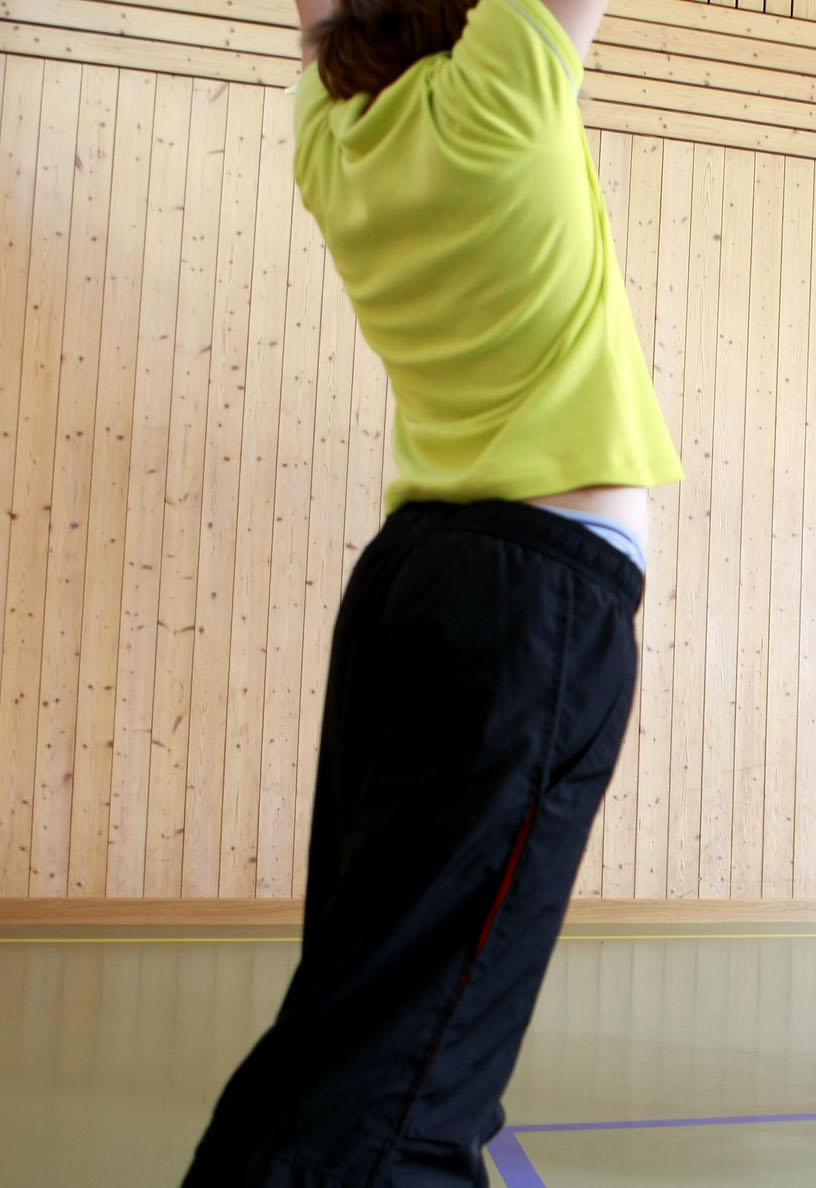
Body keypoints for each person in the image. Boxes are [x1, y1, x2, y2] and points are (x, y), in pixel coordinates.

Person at [183, 0, 681, 1182]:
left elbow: (329, 26)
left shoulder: (339, 138)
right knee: (415, 1053)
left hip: (413, 591)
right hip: (533, 611)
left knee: (367, 997)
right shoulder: (485, 95)